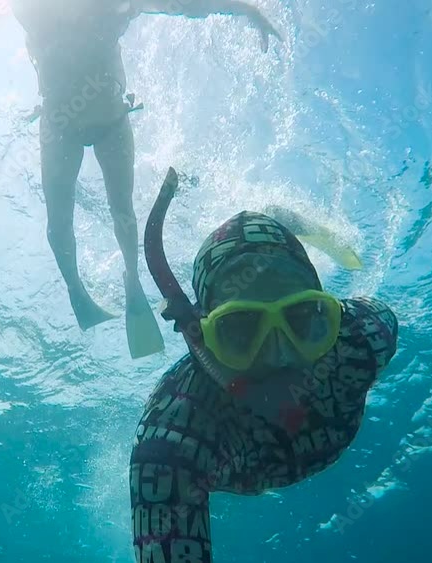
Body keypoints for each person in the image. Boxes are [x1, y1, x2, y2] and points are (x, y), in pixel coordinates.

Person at [130, 169, 399, 562]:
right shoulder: (175, 434)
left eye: (303, 318)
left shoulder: (363, 334)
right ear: (203, 337)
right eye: (241, 329)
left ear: (329, 315)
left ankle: (276, 223)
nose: (279, 354)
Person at [11, 0, 280, 358]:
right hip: (59, 128)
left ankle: (132, 278)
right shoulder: (34, 10)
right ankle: (77, 291)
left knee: (122, 210)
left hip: (112, 124)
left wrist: (244, 9)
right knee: (59, 222)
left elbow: (185, 5)